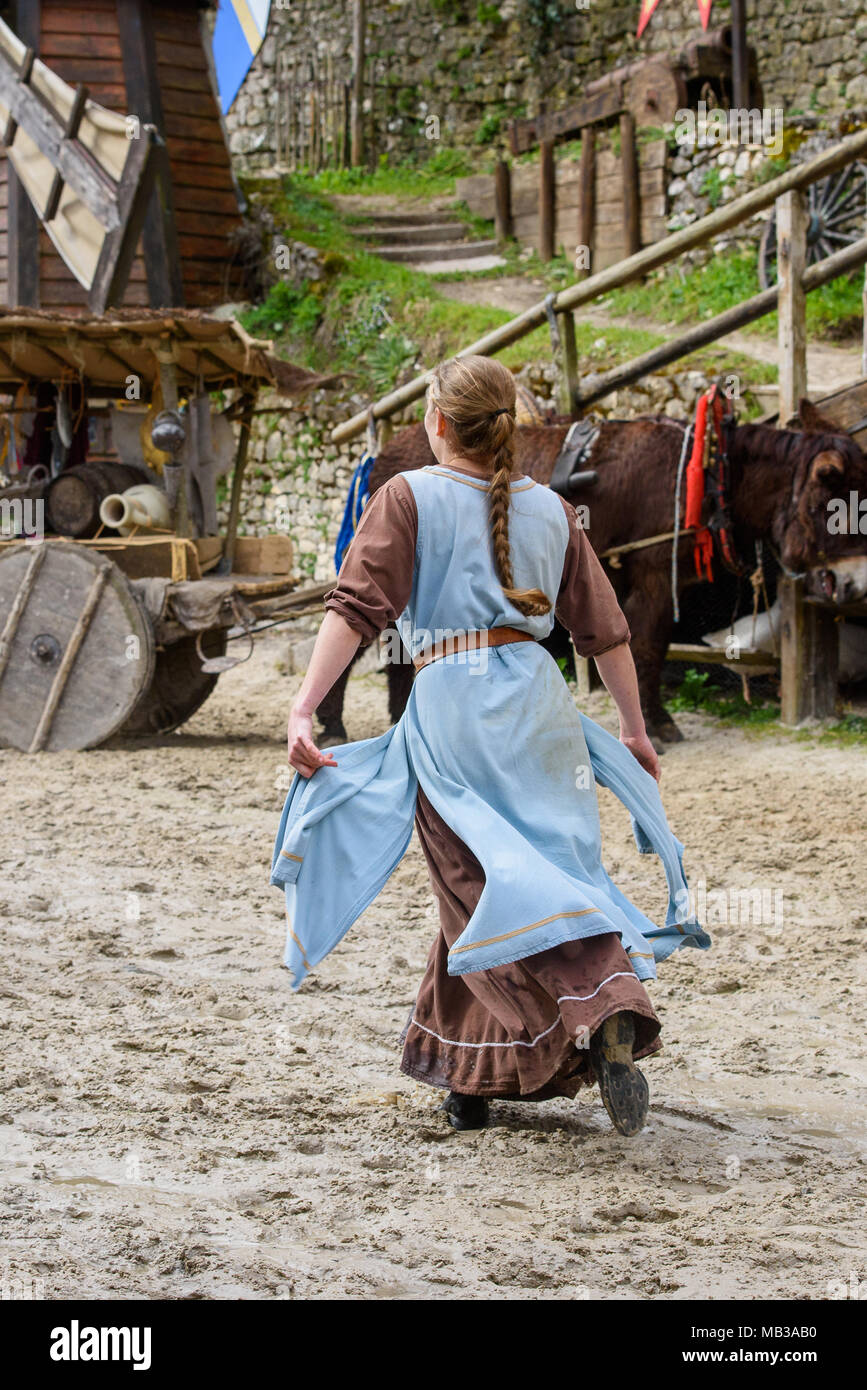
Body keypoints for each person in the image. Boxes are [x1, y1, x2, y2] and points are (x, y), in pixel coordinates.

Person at [278, 355, 708, 1138]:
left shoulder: (406, 496)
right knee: (519, 879)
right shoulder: (550, 509)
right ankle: (468, 1080)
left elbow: (355, 607)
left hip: (454, 706)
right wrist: (634, 730)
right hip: (541, 709)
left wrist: (305, 707)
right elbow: (603, 631)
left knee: (479, 886)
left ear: (436, 424)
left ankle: (604, 1002)